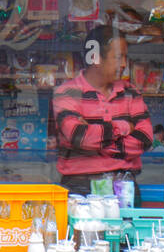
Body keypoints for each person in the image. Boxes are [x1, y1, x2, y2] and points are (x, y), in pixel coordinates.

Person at [52, 25, 155, 196]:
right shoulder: (67, 92)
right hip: (80, 186)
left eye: (125, 57)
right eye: (118, 57)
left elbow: (145, 139)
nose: (124, 64)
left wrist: (96, 142)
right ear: (95, 58)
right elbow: (79, 136)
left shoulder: (131, 92)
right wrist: (123, 127)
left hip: (125, 185)